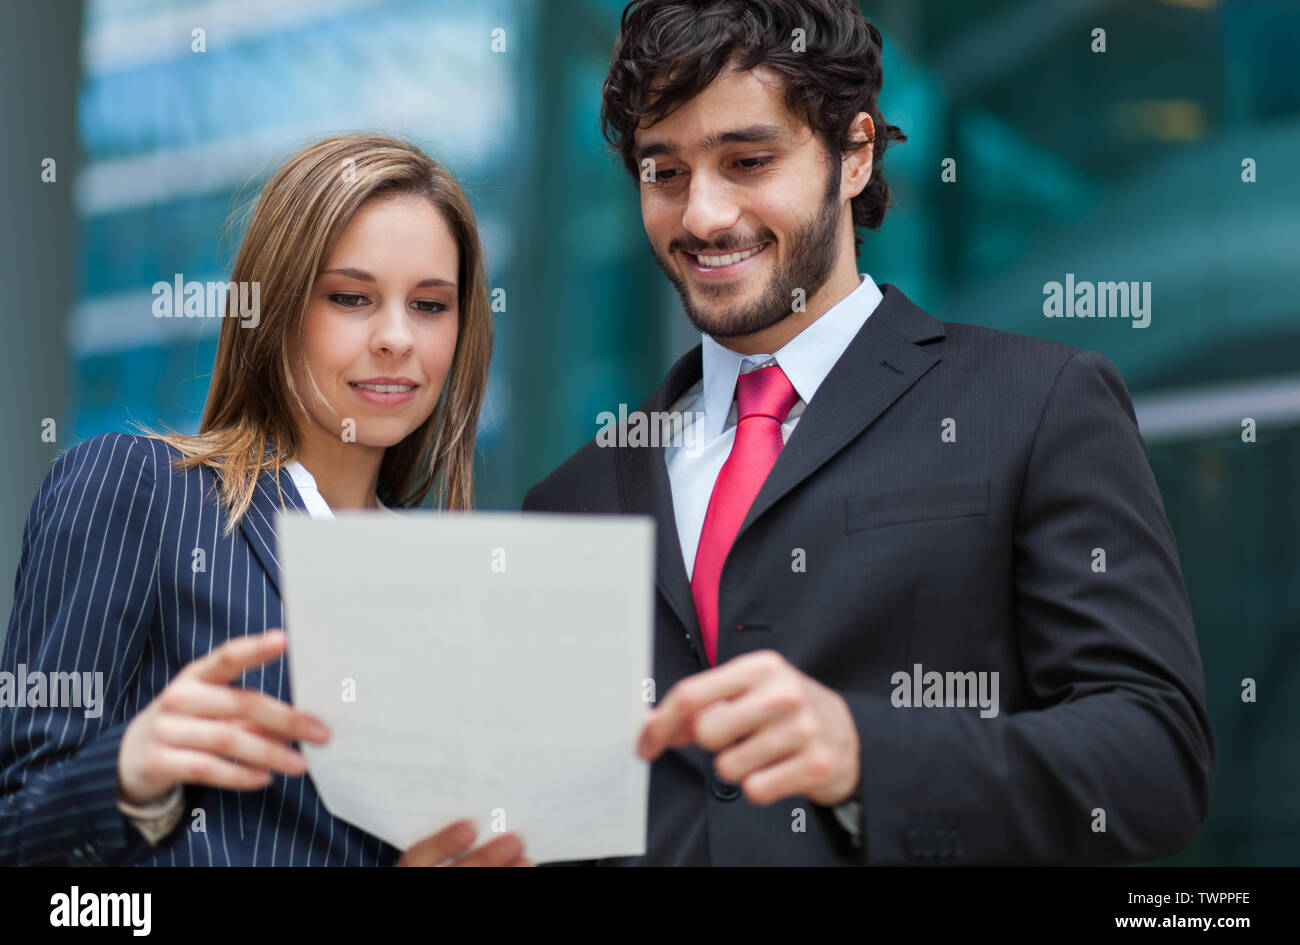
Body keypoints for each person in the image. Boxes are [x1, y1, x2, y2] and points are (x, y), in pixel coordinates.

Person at [523, 0, 1214, 864]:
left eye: (747, 160)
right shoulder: (570, 498)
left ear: (853, 153)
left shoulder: (1037, 404)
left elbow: (1153, 760)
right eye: (664, 173)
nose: (701, 216)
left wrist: (864, 754)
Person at [0, 134, 526, 867]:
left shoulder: (457, 585)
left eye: (431, 306)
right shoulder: (137, 489)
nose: (397, 338)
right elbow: (17, 828)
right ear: (275, 310)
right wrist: (129, 776)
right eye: (351, 298)